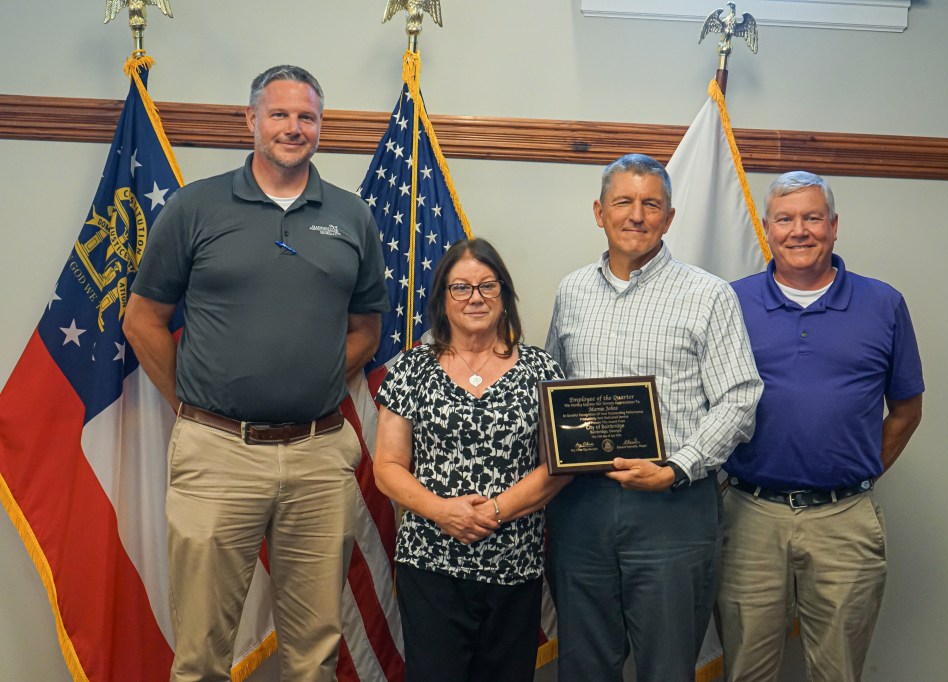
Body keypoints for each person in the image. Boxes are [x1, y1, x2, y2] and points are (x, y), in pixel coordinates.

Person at [122, 64, 389, 681]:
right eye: (280, 114)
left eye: (307, 117)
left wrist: (312, 376)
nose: (294, 127)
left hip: (319, 455)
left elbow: (366, 331)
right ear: (251, 120)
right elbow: (142, 321)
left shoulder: (351, 216)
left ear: (320, 126)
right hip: (217, 453)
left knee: (316, 654)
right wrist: (193, 403)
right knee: (202, 654)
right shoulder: (195, 207)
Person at [544, 153, 763, 681]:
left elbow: (740, 397)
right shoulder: (572, 291)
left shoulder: (708, 295)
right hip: (582, 506)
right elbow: (553, 389)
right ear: (599, 212)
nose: (636, 215)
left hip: (673, 507)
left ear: (669, 217)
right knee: (584, 665)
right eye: (623, 202)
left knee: (667, 666)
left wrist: (676, 467)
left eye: (651, 204)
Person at [719, 171, 924, 682]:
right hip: (749, 516)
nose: (799, 231)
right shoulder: (729, 302)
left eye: (812, 218)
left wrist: (858, 471)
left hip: (844, 519)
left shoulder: (883, 304)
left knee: (838, 672)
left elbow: (907, 409)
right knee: (745, 670)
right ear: (767, 228)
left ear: (833, 226)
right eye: (785, 219)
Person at [373, 238, 567, 682]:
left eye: (487, 285)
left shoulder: (541, 370)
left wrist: (495, 511)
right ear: (443, 298)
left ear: (504, 295)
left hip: (514, 564)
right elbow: (387, 466)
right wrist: (444, 512)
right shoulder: (411, 370)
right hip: (431, 564)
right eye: (460, 287)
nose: (475, 297)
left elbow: (557, 468)